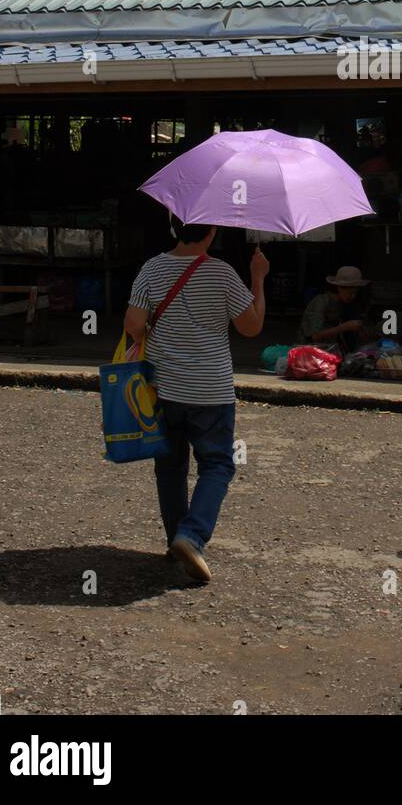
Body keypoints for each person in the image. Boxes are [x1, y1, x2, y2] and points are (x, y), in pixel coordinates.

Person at [123, 221, 269, 584]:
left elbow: (133, 324)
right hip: (210, 391)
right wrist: (259, 278)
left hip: (164, 388)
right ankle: (191, 536)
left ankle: (176, 539)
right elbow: (251, 327)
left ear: (175, 228)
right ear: (211, 234)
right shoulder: (222, 273)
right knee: (218, 465)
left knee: (170, 468)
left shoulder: (152, 268)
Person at [298, 265, 370, 355]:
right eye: (351, 293)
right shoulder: (321, 302)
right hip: (311, 353)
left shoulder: (348, 305)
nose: (353, 297)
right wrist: (343, 327)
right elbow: (314, 336)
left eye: (355, 293)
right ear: (339, 288)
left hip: (333, 352)